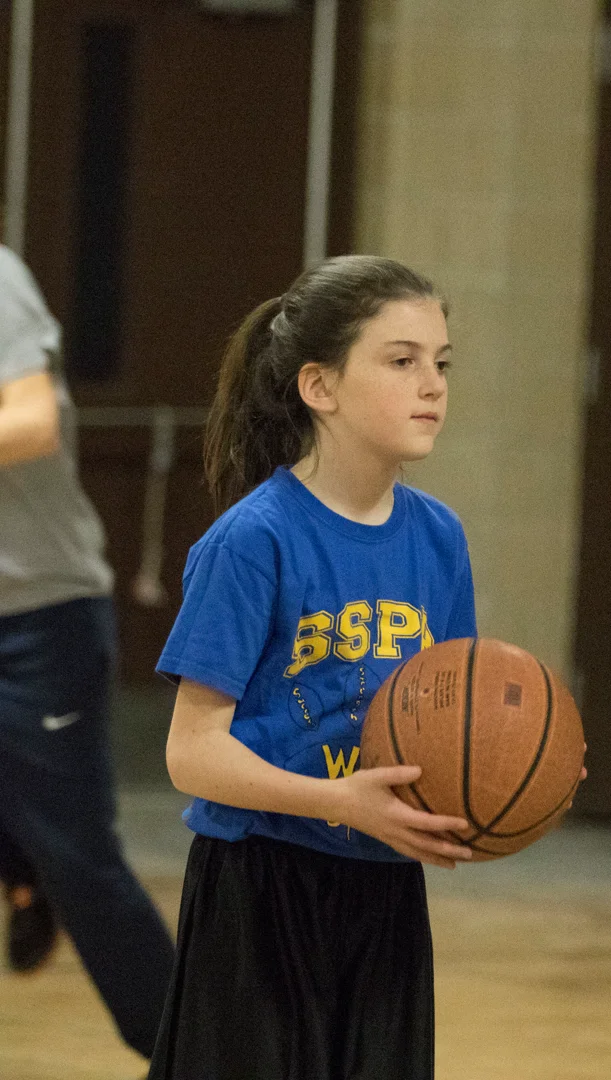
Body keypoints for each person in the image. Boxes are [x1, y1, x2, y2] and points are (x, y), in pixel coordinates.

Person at [147, 255, 479, 1080]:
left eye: (440, 363)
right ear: (319, 387)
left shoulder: (440, 539)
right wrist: (338, 800)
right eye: (401, 361)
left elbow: (452, 717)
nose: (431, 384)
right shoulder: (253, 541)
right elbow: (191, 753)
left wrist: (514, 765)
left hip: (385, 891)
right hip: (261, 888)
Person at [0, 243, 175, 1056]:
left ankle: (189, 1051)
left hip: (37, 614)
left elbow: (32, 421)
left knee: (81, 859)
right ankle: (20, 862)